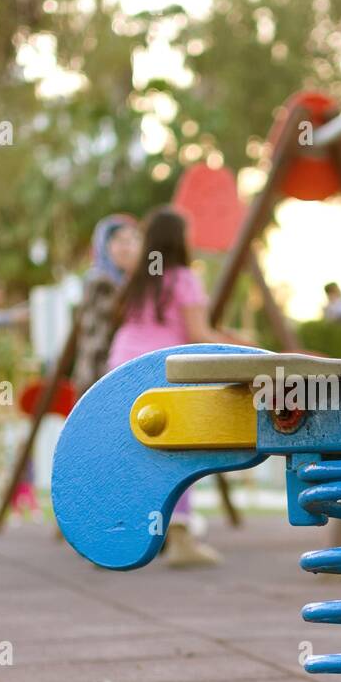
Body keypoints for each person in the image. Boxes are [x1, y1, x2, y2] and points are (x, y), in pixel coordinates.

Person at [107, 206, 250, 567]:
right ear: (177, 239)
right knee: (180, 451)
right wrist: (239, 346)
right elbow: (198, 335)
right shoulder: (184, 277)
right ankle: (181, 538)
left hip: (122, 368)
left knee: (132, 451)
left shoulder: (138, 278)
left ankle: (119, 534)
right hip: (163, 370)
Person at [72, 214, 139, 394]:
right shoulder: (99, 280)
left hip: (112, 368)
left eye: (132, 240)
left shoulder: (122, 280)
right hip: (98, 370)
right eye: (120, 241)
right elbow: (114, 315)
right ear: (104, 245)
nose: (128, 247)